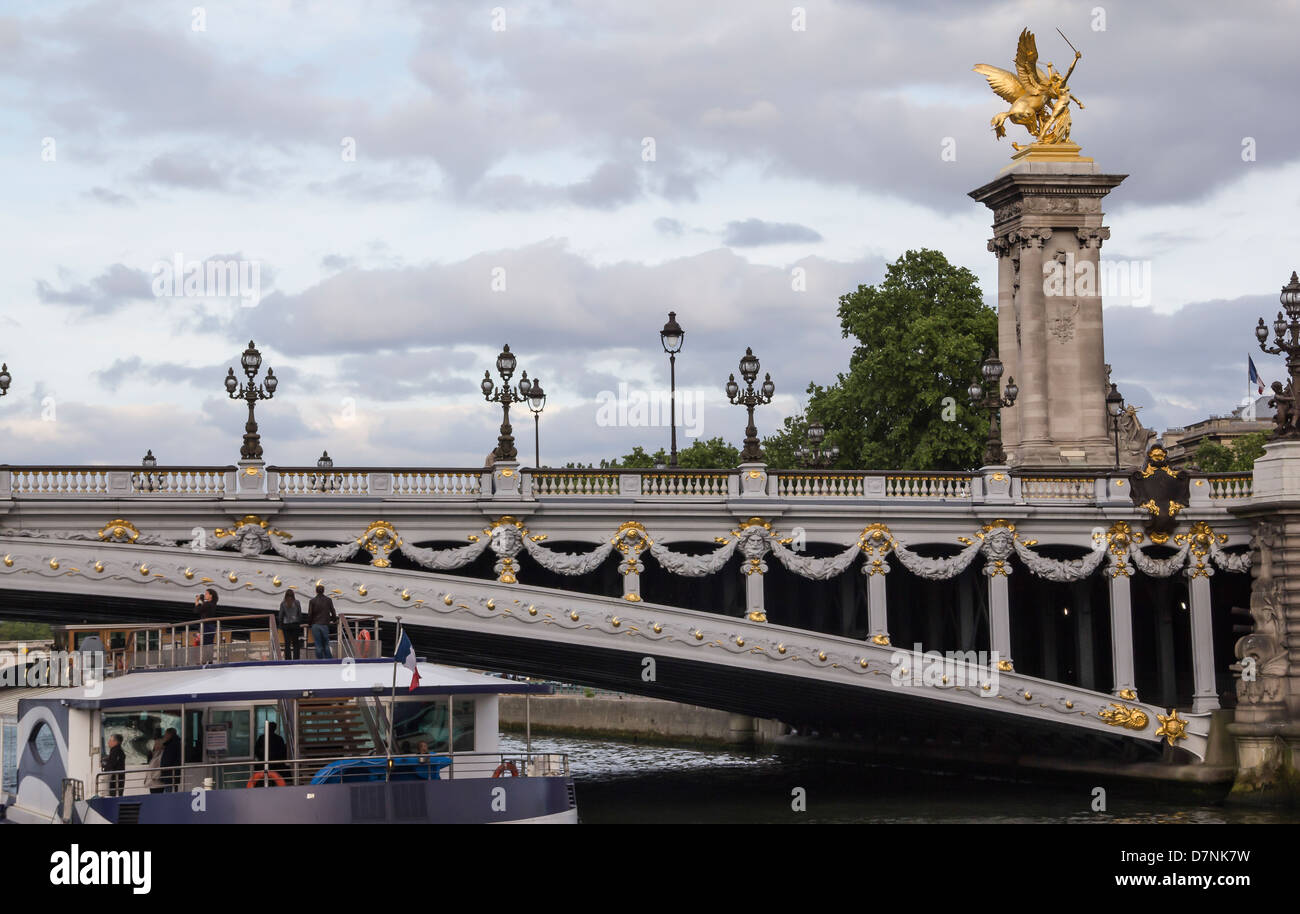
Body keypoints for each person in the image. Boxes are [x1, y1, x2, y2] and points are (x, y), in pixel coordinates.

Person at [307, 585, 337, 659]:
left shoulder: (312, 601)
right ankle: (329, 660)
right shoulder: (328, 600)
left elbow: (310, 614)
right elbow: (333, 611)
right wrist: (334, 620)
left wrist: (309, 624)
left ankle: (320, 660)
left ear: (316, 591)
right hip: (324, 624)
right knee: (326, 643)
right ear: (323, 591)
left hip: (315, 625)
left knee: (318, 644)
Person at [277, 590, 304, 660]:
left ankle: (288, 659)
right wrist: (299, 622)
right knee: (296, 643)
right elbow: (299, 614)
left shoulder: (283, 603)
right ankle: (296, 659)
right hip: (295, 624)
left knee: (287, 643)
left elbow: (280, 616)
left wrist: (280, 625)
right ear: (293, 595)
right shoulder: (297, 602)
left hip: (286, 625)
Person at [194, 588, 219, 661]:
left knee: (204, 644)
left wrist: (196, 601)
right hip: (211, 626)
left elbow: (196, 610)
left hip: (205, 626)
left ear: (211, 595)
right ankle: (209, 660)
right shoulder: (213, 604)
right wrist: (202, 600)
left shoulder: (208, 604)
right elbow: (204, 609)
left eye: (206, 594)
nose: (205, 595)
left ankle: (204, 661)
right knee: (209, 644)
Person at [159, 727, 181, 792]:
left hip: (170, 775)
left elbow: (167, 760)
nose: (164, 736)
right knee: (171, 791)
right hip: (171, 774)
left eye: (166, 734)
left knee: (169, 793)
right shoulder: (175, 743)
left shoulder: (171, 745)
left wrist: (162, 767)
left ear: (170, 735)